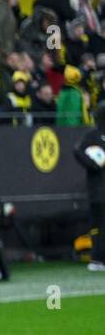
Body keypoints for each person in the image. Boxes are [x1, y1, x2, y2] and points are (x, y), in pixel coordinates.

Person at [72, 102, 105, 272]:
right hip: (98, 190)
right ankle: (97, 259)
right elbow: (77, 151)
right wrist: (93, 164)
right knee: (98, 226)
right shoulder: (92, 135)